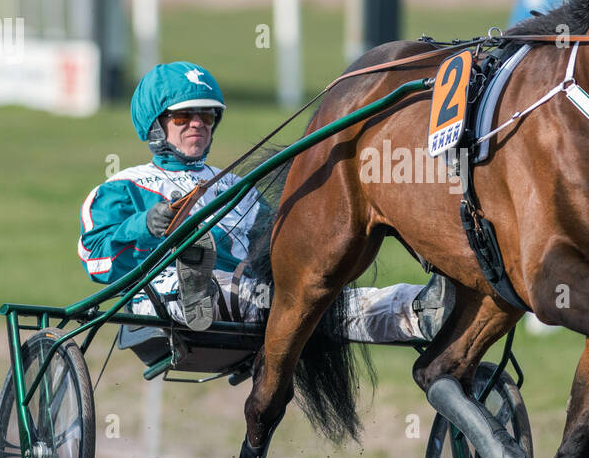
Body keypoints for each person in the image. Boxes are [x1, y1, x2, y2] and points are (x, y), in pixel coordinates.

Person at [78, 61, 451, 344]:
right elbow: (95, 256)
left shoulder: (238, 186)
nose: (197, 123)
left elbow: (280, 249)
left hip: (257, 295)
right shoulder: (123, 186)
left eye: (206, 115)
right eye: (182, 115)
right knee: (269, 298)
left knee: (324, 300)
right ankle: (198, 289)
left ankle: (421, 309)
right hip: (163, 301)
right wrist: (143, 225)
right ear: (156, 124)